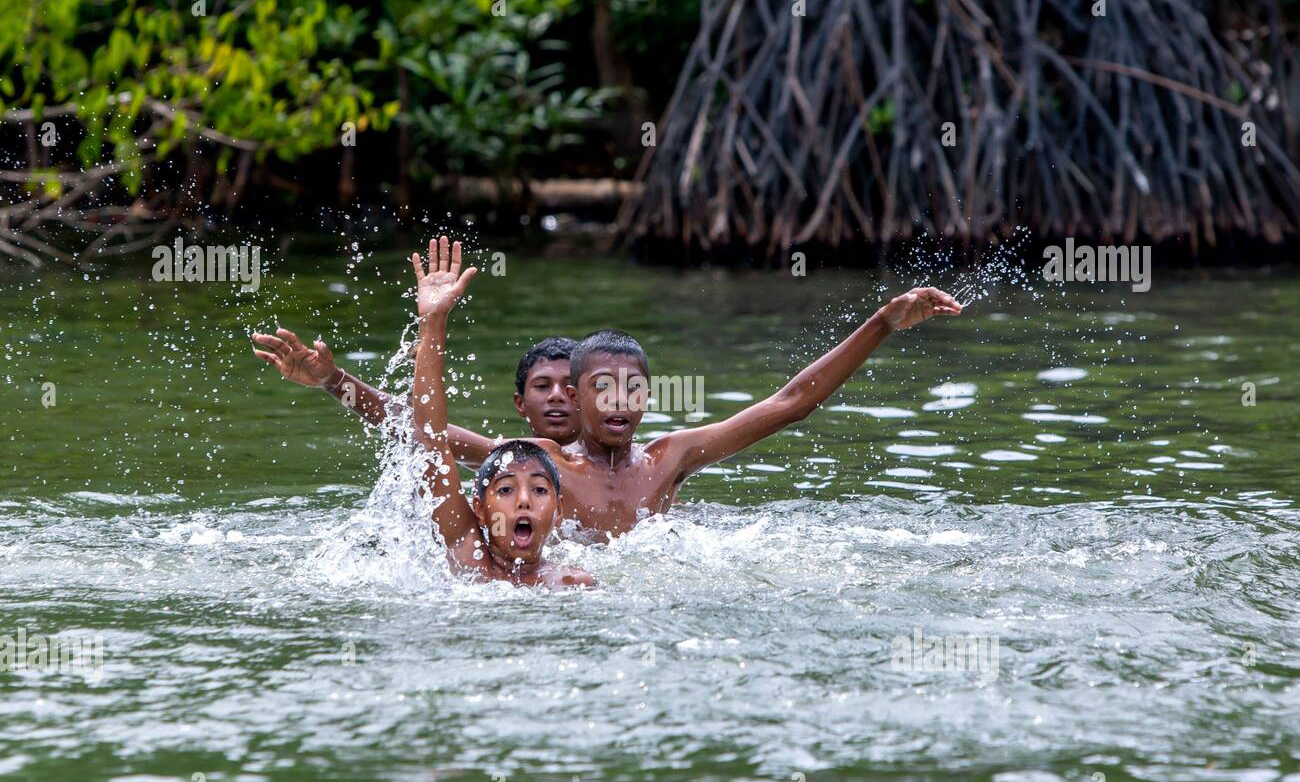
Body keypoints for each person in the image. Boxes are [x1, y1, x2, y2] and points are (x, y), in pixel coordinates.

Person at [523, 292, 963, 536]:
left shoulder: (669, 458)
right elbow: (450, 447)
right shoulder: (543, 462)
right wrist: (446, 319)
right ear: (575, 397)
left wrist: (882, 323)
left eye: (632, 388)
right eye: (602, 387)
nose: (619, 400)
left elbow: (791, 405)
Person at [408, 237, 593, 588]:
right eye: (506, 491)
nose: (523, 501)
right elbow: (430, 439)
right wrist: (433, 323)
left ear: (559, 513)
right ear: (479, 509)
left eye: (539, 491)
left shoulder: (573, 583)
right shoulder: (465, 551)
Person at [250, 328, 580, 466]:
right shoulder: (508, 461)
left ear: (589, 398)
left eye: (569, 387)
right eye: (541, 386)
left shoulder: (627, 462)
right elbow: (419, 429)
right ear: (519, 404)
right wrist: (332, 381)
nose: (556, 397)